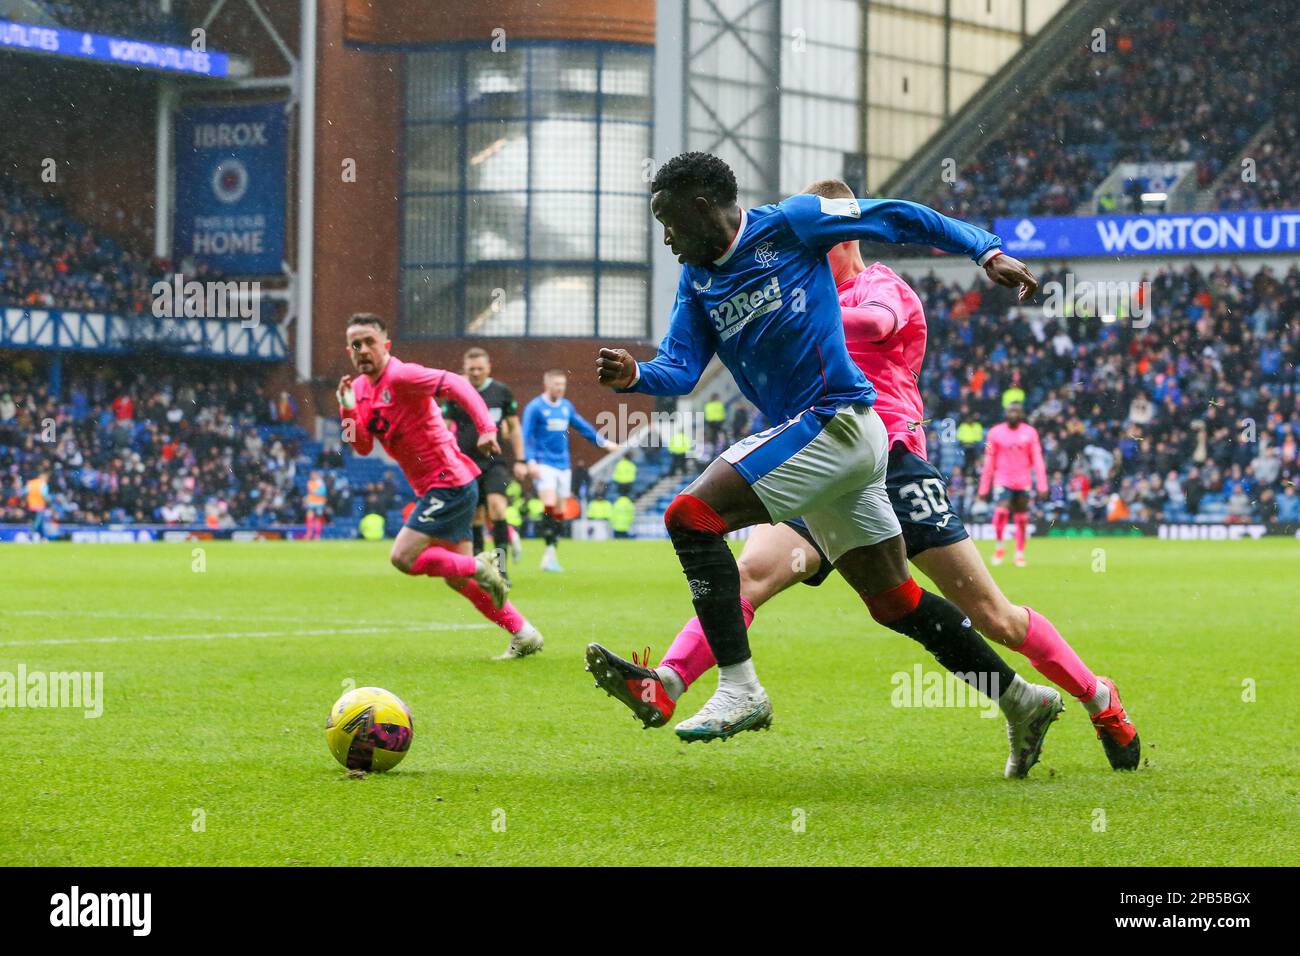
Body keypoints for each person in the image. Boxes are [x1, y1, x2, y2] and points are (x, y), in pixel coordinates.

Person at [588, 178, 1138, 774]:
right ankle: (669, 682)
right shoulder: (728, 275)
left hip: (889, 452)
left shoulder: (877, 283)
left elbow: (874, 324)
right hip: (806, 450)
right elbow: (682, 363)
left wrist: (783, 308)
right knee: (764, 575)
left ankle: (1099, 698)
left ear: (839, 229)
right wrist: (639, 373)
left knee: (993, 615)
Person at [337, 313, 543, 659]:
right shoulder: (357, 390)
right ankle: (524, 633)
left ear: (386, 345)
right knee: (457, 579)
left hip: (449, 482)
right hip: (441, 488)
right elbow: (360, 445)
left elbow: (457, 385)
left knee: (403, 557)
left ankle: (481, 564)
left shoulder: (402, 375)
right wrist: (346, 409)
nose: (362, 350)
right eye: (355, 344)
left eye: (369, 341)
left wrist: (486, 428)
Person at [442, 347, 527, 580]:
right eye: (471, 369)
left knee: (498, 507)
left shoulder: (501, 392)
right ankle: (480, 568)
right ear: (465, 369)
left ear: (489, 367)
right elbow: (444, 427)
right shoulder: (456, 393)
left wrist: (521, 459)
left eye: (480, 368)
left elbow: (515, 428)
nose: (476, 373)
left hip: (494, 461)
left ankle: (501, 568)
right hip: (465, 463)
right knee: (475, 517)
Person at [521, 370, 617, 573]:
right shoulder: (535, 407)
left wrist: (604, 442)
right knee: (548, 503)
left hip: (563, 465)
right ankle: (547, 551)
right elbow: (526, 435)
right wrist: (529, 461)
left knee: (558, 511)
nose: (560, 388)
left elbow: (583, 427)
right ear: (546, 384)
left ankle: (550, 555)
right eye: (556, 384)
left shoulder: (566, 407)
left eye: (563, 385)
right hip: (543, 463)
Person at [980, 401, 1048, 566]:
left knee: (1022, 518)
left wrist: (1042, 484)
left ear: (1021, 414)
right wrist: (984, 486)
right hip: (1002, 479)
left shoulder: (1030, 433)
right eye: (1010, 411)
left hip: (1023, 481)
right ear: (1006, 413)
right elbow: (989, 460)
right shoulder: (995, 433)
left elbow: (1037, 459)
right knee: (1001, 511)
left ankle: (1019, 553)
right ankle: (999, 547)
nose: (1013, 414)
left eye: (1016, 412)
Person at [304, 470, 327, 540]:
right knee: (309, 517)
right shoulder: (309, 483)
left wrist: (314, 492)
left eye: (314, 474)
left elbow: (323, 492)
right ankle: (309, 533)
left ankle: (317, 535)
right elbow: (310, 493)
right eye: (311, 475)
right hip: (311, 503)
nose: (312, 476)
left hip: (319, 503)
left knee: (318, 519)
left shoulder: (320, 483)